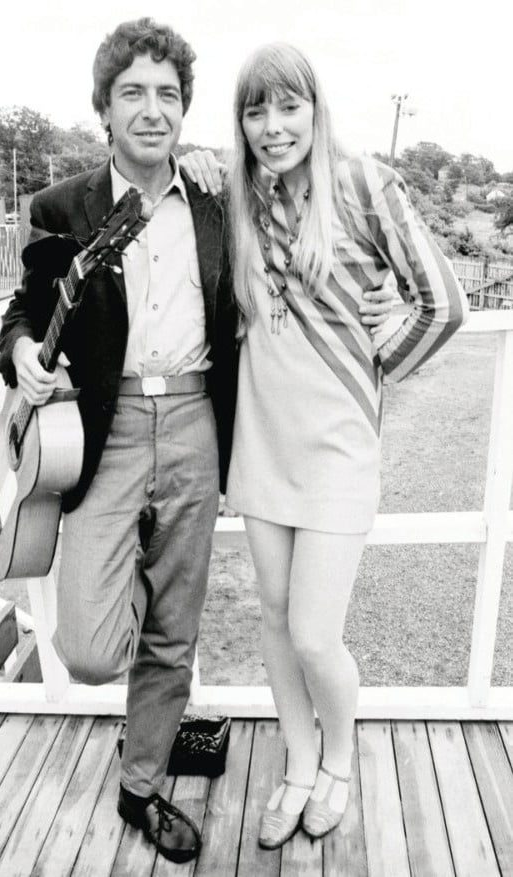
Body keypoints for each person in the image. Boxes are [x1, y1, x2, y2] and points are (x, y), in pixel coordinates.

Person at [0, 21, 394, 864]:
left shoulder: (220, 201)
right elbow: (24, 311)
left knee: (178, 629)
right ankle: (155, 686)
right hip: (101, 436)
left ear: (185, 111)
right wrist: (26, 352)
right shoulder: (62, 206)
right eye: (132, 93)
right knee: (89, 647)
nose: (152, 109)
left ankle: (142, 781)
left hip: (195, 425)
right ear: (103, 108)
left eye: (168, 95)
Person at [181, 42, 468, 850]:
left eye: (288, 105)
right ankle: (299, 765)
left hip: (338, 448)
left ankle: (338, 760)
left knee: (314, 631)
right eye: (255, 109)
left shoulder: (364, 183)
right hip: (261, 442)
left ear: (316, 106)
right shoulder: (242, 192)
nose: (273, 127)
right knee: (272, 620)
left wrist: (380, 362)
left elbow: (442, 304)